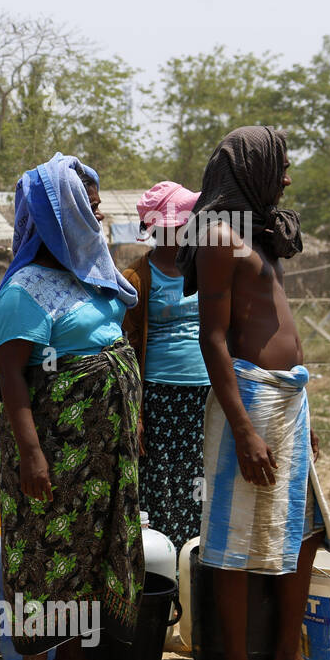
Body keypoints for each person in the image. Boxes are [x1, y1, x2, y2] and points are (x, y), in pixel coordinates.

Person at [180, 126, 330, 660]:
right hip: (247, 401)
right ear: (249, 168)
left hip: (288, 400)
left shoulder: (261, 232)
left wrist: (302, 416)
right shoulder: (218, 237)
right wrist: (245, 429)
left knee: (300, 534)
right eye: (278, 166)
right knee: (235, 538)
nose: (285, 178)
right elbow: (214, 338)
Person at [0, 153, 143, 660]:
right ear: (60, 217)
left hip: (106, 449)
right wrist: (32, 455)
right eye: (90, 209)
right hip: (56, 448)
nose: (98, 221)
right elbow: (11, 379)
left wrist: (134, 421)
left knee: (98, 545)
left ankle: (79, 658)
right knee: (45, 549)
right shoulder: (24, 290)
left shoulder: (95, 275)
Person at [120, 181, 208, 551]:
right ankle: (166, 561)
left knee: (200, 475)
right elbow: (126, 347)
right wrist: (135, 411)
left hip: (207, 390)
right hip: (158, 392)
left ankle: (198, 555)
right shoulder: (136, 278)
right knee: (161, 477)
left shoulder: (207, 268)